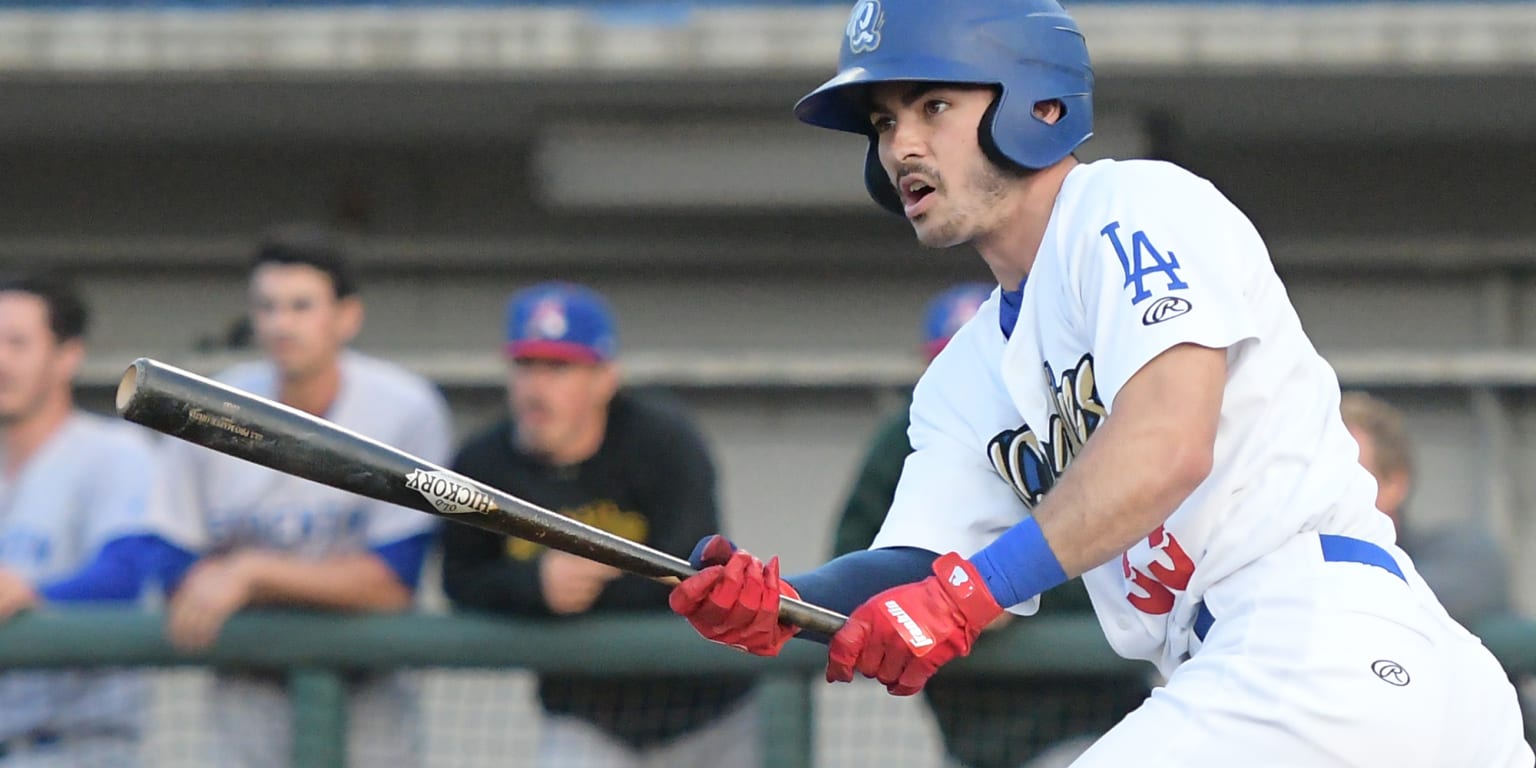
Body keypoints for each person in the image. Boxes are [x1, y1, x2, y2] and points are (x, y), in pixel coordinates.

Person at [665, 0, 1534, 765]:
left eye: (934, 104)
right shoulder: (962, 378)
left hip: (1316, 635)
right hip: (1299, 679)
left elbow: (1165, 445)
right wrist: (783, 601)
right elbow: (926, 564)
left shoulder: (1131, 209)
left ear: (1039, 105)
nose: (903, 145)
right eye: (886, 121)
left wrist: (966, 594)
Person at [147, 226, 452, 768]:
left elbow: (391, 582)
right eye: (267, 307)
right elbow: (174, 569)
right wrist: (326, 583)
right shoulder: (210, 405)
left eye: (300, 306)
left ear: (346, 316)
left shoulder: (406, 407)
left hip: (369, 689)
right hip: (245, 687)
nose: (281, 323)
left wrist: (250, 573)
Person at [441, 282, 758, 768]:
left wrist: (594, 585)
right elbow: (460, 580)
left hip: (712, 709)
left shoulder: (662, 442)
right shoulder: (483, 462)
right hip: (586, 715)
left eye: (559, 368)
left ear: (605, 378)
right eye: (525, 366)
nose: (537, 387)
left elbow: (693, 569)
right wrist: (537, 587)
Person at [833, 283, 1148, 768]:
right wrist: (939, 595)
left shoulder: (1080, 410)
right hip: (973, 729)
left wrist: (993, 595)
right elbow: (856, 554)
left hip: (1097, 714)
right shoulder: (908, 441)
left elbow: (1132, 552)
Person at [0, 275, 174, 767]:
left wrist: (32, 597)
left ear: (67, 355)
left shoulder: (115, 453)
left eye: (17, 343)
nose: (1, 361)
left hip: (82, 744)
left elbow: (123, 576)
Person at [1340, 391, 1511, 629]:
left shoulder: (1459, 555)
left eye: (1345, 472)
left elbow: (1470, 584)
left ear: (1394, 484)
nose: (1325, 488)